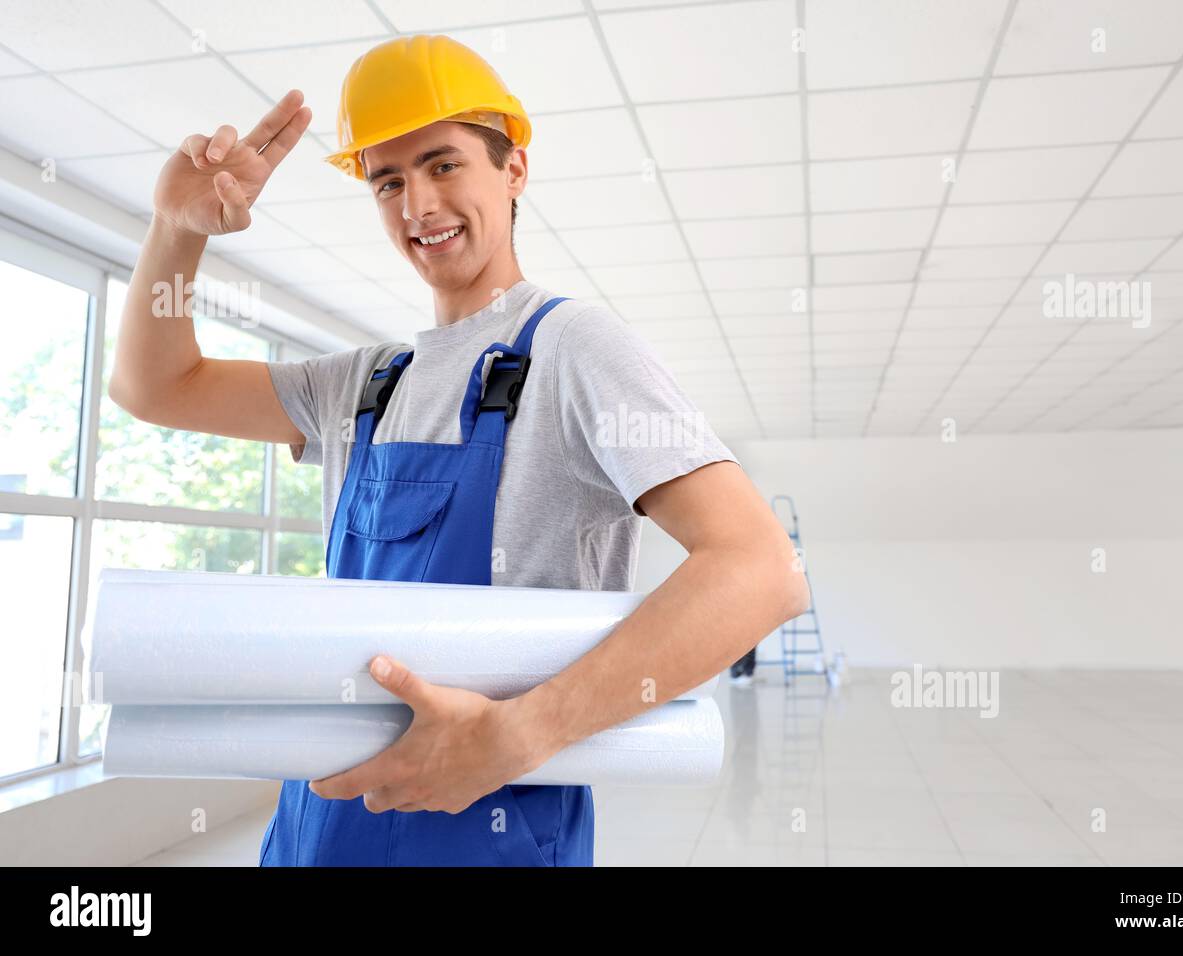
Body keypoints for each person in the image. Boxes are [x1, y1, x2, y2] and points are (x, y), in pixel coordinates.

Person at [109, 34, 808, 867]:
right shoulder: (365, 385)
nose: (417, 207)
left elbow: (762, 571)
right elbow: (157, 386)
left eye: (444, 165)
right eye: (389, 182)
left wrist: (520, 734)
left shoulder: (573, 350)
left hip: (488, 830)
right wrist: (174, 230)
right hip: (321, 829)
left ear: (512, 171)